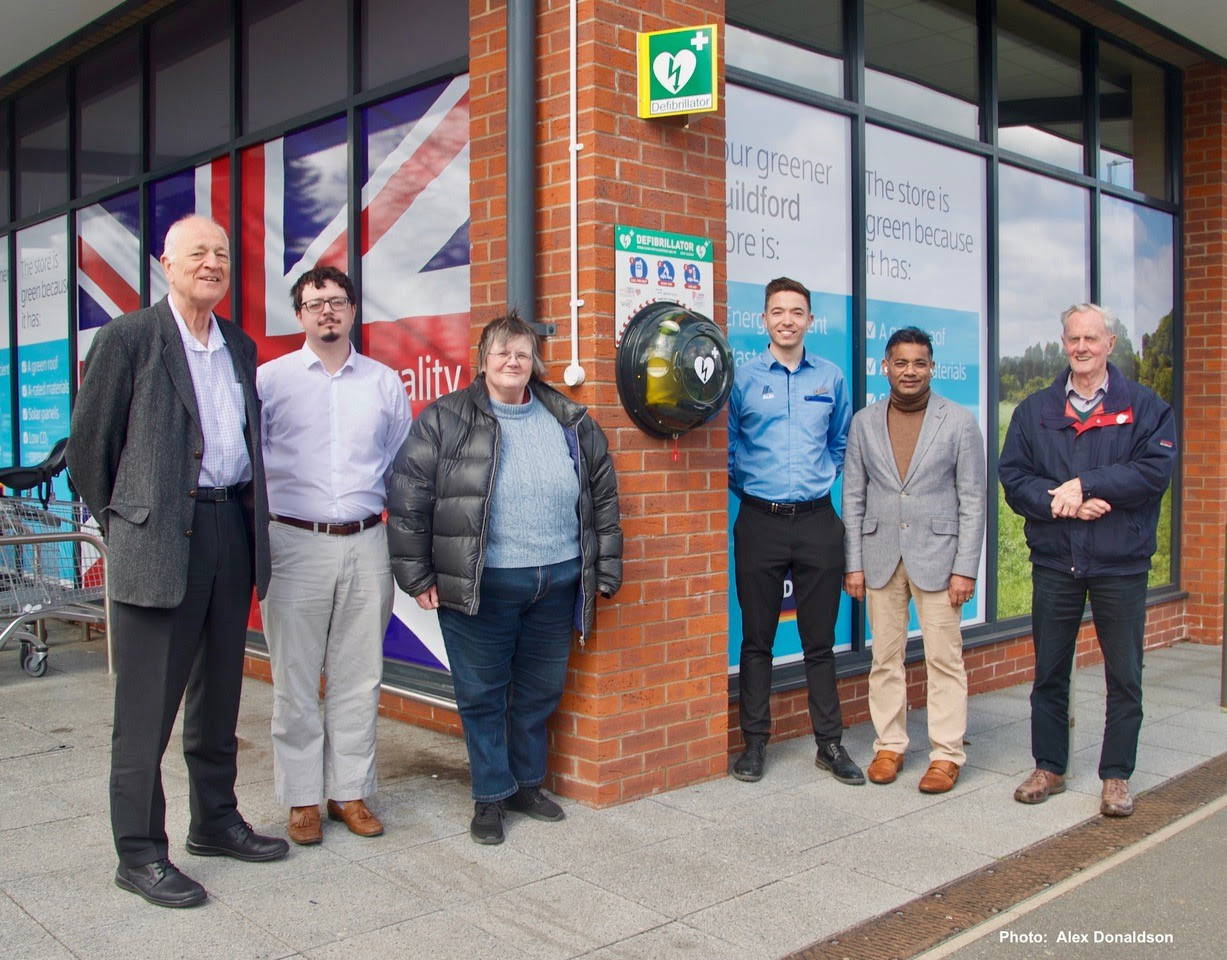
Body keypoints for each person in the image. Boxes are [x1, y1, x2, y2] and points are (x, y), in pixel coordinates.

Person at [67, 216, 286, 909]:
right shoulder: (130, 338)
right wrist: (131, 523)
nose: (212, 263)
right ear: (166, 264)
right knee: (145, 712)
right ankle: (138, 853)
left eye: (221, 254)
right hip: (159, 541)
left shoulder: (240, 346)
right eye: (198, 252)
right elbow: (87, 453)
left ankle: (215, 822)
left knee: (219, 696)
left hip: (229, 532)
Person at [387, 311, 622, 844]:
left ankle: (526, 785)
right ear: (483, 362)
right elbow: (407, 499)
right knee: (483, 693)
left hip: (556, 581)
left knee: (539, 691)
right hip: (480, 584)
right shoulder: (445, 419)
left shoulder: (569, 418)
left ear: (535, 362)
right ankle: (490, 796)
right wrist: (415, 573)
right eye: (502, 353)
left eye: (522, 353)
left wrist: (604, 568)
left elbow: (603, 498)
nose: (513, 361)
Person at [999, 303, 1176, 818]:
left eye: (1091, 339)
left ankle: (1116, 776)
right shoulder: (1035, 410)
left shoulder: (1145, 407)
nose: (1081, 348)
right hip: (1057, 560)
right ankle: (1048, 766)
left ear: (1110, 344)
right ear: (1064, 343)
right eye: (1073, 339)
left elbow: (1153, 472)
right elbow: (1014, 477)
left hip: (1120, 563)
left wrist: (1091, 485)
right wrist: (1064, 498)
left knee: (1124, 675)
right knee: (1049, 670)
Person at [256, 266, 411, 845]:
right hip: (293, 543)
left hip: (368, 542)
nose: (328, 311)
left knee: (359, 675)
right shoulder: (270, 382)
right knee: (295, 678)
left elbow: (398, 461)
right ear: (299, 314)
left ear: (352, 311)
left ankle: (349, 790)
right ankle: (301, 799)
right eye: (315, 302)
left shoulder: (383, 383)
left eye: (338, 301)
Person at [727, 276, 862, 785]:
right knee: (757, 640)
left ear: (809, 320)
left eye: (797, 311)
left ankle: (830, 744)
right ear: (764, 320)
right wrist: (753, 490)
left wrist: (819, 480)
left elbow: (841, 441)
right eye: (778, 311)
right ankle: (754, 745)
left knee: (819, 642)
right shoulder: (741, 378)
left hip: (816, 523)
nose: (787, 320)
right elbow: (730, 445)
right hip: (759, 521)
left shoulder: (829, 377)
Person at [842, 327, 985, 794]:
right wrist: (854, 562)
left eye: (919, 363)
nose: (909, 371)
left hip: (940, 559)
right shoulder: (864, 421)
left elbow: (972, 499)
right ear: (885, 366)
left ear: (932, 368)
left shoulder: (958, 421)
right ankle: (890, 744)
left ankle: (946, 753)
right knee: (885, 658)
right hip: (881, 554)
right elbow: (854, 494)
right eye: (900, 363)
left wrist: (966, 567)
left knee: (945, 658)